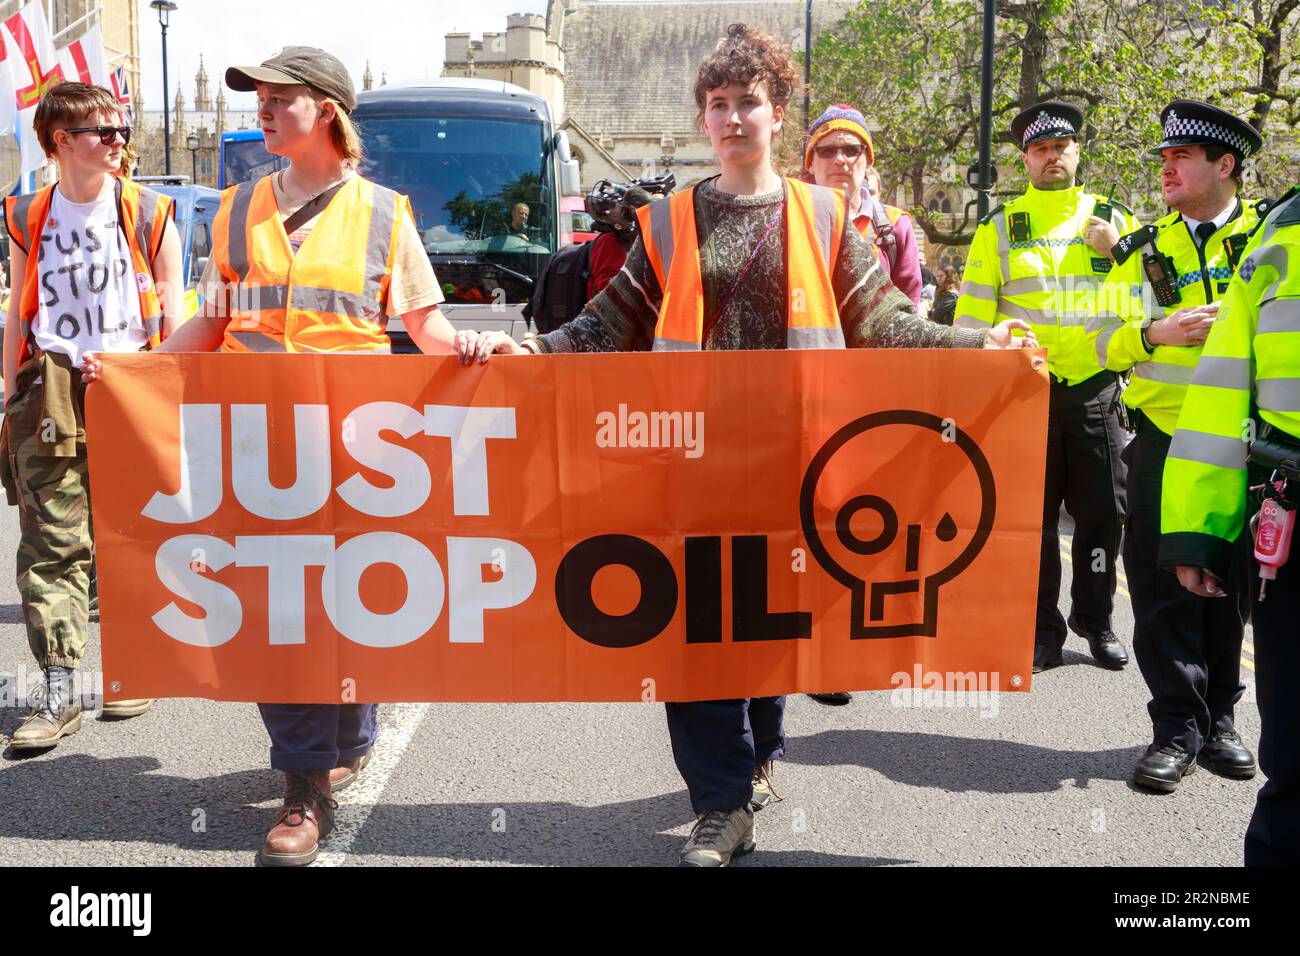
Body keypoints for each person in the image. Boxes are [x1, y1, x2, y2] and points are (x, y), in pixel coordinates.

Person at [462, 23, 1036, 866]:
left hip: (801, 467)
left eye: (750, 103)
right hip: (686, 465)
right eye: (719, 104)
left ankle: (761, 752)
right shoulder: (668, 223)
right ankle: (721, 803)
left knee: (768, 635)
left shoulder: (826, 214)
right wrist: (531, 352)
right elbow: (606, 326)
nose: (733, 119)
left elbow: (884, 324)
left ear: (778, 112)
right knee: (694, 639)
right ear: (703, 119)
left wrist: (977, 346)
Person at [85, 46, 463, 866]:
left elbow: (424, 327)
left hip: (358, 447)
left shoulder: (386, 214)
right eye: (257, 96)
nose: (261, 108)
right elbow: (209, 327)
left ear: (326, 108)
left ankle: (350, 730)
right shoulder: (229, 211)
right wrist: (133, 367)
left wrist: (469, 347)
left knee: (352, 606)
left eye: (279, 96)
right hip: (256, 445)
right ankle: (302, 786)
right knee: (279, 612)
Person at [1, 82, 183, 749]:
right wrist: (13, 394)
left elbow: (174, 302)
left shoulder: (149, 210)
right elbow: (17, 306)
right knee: (51, 542)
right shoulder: (25, 215)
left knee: (131, 531)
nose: (117, 142)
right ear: (60, 141)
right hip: (49, 384)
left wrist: (171, 391)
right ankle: (57, 690)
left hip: (133, 381)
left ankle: (135, 665)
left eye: (119, 130)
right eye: (101, 132)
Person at [1093, 100, 1265, 793]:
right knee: (1163, 584)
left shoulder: (1271, 242)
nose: (1166, 169)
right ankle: (1176, 728)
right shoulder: (1140, 251)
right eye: (1163, 159)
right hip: (1163, 439)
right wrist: (1153, 336)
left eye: (1181, 158)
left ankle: (1221, 718)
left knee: (1231, 584)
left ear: (1225, 166)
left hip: (1249, 444)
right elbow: (1096, 342)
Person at [956, 101, 1141, 674]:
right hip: (1025, 390)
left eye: (1061, 146)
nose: (1051, 156)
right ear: (1025, 160)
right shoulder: (998, 227)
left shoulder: (1115, 219)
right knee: (1032, 520)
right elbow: (972, 320)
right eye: (1039, 149)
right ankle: (1042, 629)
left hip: (1097, 386)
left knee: (1104, 513)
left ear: (1078, 151)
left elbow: (1147, 303)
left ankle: (1096, 618)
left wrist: (1122, 251)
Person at [1160, 182, 1300, 865]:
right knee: (1297, 764)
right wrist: (1203, 531)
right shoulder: (1281, 237)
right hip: (1294, 528)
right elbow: (1223, 394)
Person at [804, 104, 923, 304]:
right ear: (810, 163)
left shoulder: (895, 226)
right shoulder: (788, 221)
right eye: (827, 151)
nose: (840, 159)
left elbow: (908, 309)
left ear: (868, 161)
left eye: (852, 150)